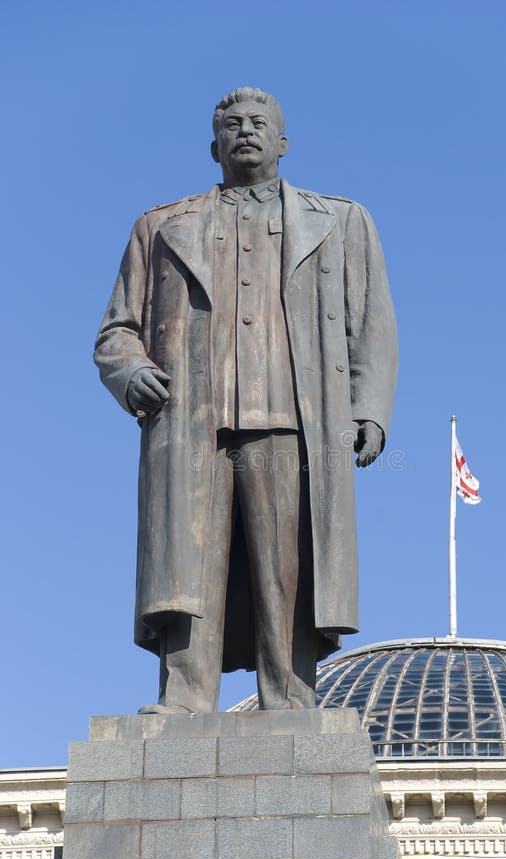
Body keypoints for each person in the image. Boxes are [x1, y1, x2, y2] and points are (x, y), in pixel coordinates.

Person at [94, 87, 398, 713]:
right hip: (191, 422)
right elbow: (116, 331)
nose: (246, 131)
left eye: (259, 122)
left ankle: (288, 697)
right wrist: (131, 371)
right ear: (214, 146)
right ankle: (185, 696)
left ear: (284, 142)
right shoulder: (160, 227)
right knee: (188, 568)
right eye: (232, 123)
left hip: (294, 421)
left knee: (285, 569)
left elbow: (371, 323)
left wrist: (368, 408)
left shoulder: (341, 221)